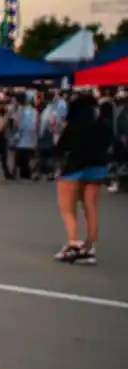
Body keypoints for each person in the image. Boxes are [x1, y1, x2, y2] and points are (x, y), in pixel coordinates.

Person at [53, 94, 113, 264]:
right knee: (91, 207)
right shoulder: (104, 125)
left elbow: (60, 148)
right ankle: (90, 246)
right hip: (98, 168)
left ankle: (73, 242)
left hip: (74, 169)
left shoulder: (73, 125)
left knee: (67, 207)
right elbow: (109, 144)